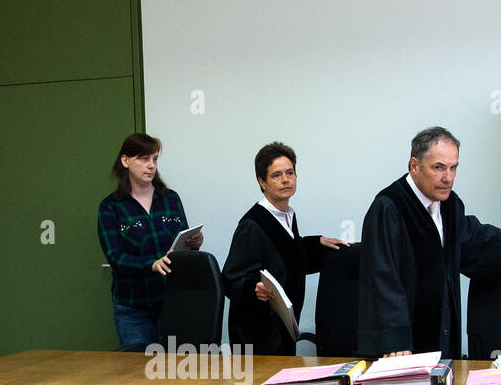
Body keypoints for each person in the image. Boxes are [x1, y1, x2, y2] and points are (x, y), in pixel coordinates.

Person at [358, 127, 501, 358]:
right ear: (415, 166)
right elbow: (381, 279)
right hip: (403, 346)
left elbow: (468, 236)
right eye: (439, 168)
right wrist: (394, 340)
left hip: (442, 331)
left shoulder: (450, 204)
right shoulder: (389, 207)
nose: (448, 178)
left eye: (454, 168)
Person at [221, 142, 348, 355]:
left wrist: (316, 243)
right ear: (262, 182)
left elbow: (284, 255)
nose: (285, 180)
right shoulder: (252, 224)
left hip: (282, 330)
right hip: (258, 335)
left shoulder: (287, 215)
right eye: (276, 175)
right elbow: (231, 279)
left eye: (290, 173)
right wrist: (253, 288)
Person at [97, 132, 204, 351]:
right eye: (144, 159)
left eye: (154, 159)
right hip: (133, 307)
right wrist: (151, 263)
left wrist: (194, 242)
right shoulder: (110, 207)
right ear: (126, 161)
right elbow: (116, 257)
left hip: (173, 302)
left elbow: (180, 246)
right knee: (137, 375)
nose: (151, 166)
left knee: (177, 372)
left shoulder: (170, 198)